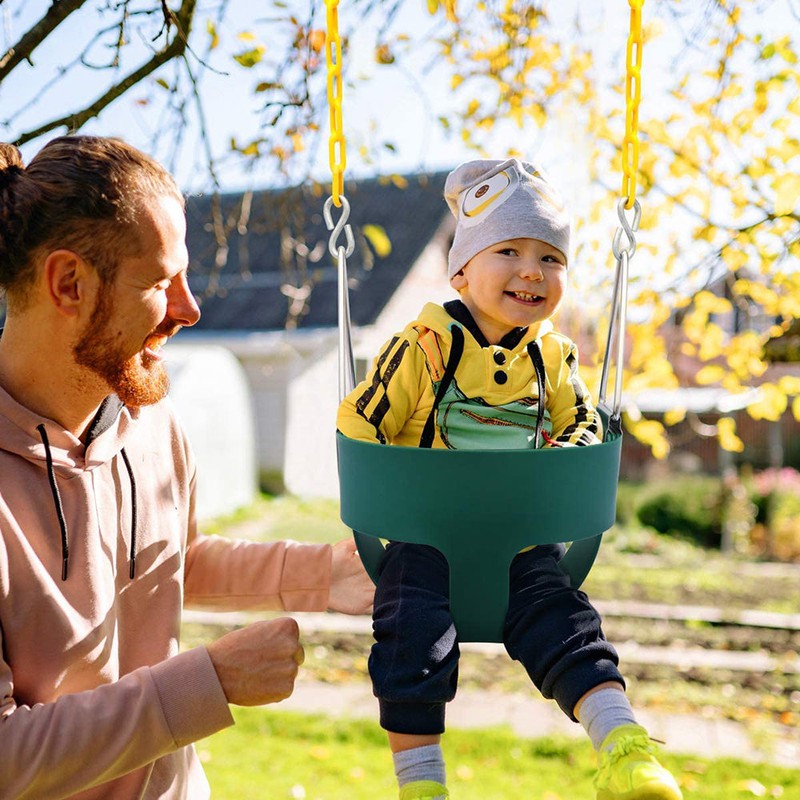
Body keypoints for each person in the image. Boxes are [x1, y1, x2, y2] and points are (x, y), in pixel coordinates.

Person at [0, 135, 374, 800]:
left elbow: (171, 559)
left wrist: (327, 575)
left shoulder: (151, 422)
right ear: (69, 284)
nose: (190, 309)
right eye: (159, 282)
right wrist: (211, 683)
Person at [337, 158, 683, 800]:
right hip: (425, 535)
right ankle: (421, 786)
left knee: (566, 622)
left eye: (552, 258)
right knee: (409, 634)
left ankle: (625, 751)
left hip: (523, 539)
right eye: (510, 251)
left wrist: (563, 457)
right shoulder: (426, 345)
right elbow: (364, 423)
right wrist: (388, 478)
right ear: (461, 270)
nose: (533, 270)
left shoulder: (552, 358)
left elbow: (582, 425)